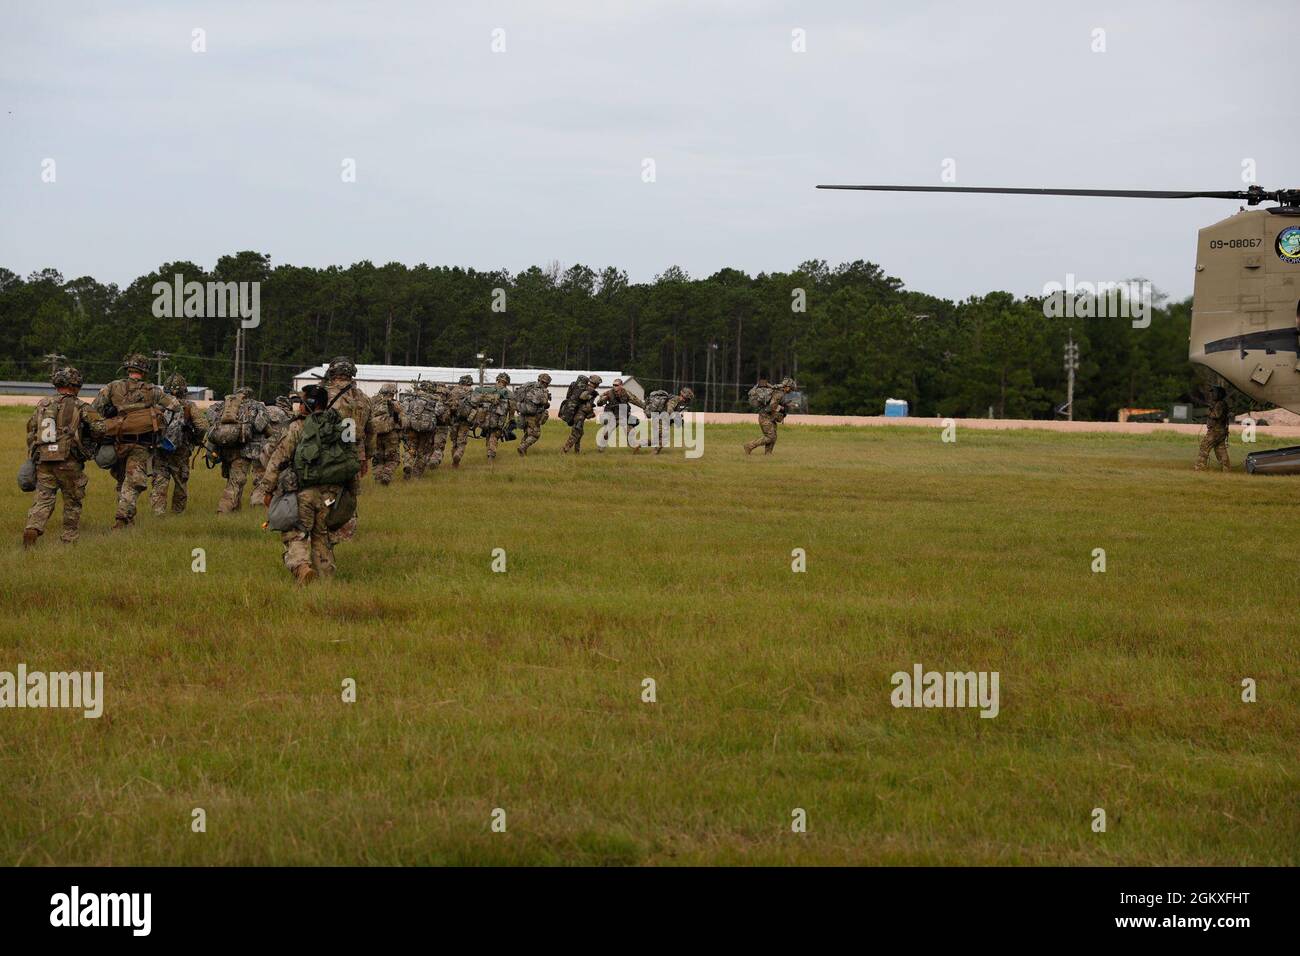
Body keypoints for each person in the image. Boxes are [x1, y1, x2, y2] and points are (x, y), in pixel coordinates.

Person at [256, 384, 353, 585]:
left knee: (296, 533)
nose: (298, 406)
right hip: (331, 496)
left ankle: (301, 567)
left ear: (308, 403)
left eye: (302, 401)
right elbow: (350, 461)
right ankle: (326, 578)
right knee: (321, 536)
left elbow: (278, 459)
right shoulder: (339, 427)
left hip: (305, 495)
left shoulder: (299, 427)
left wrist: (267, 490)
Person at [92, 353, 183, 528]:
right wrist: (153, 410)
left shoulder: (112, 387)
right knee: (133, 481)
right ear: (145, 371)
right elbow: (175, 405)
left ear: (128, 369)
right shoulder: (153, 390)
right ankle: (122, 516)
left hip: (117, 441)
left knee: (122, 480)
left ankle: (128, 518)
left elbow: (94, 408)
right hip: (141, 443)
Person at [22, 366, 105, 547]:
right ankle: (69, 539)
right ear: (75, 385)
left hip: (44, 460)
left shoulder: (42, 405)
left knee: (44, 498)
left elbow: (31, 431)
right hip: (69, 461)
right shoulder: (81, 406)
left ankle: (33, 527)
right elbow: (100, 429)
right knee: (72, 501)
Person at [322, 357, 374, 542]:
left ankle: (322, 528)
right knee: (349, 494)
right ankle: (345, 533)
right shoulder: (363, 399)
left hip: (326, 452)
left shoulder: (322, 395)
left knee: (325, 491)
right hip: (354, 453)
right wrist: (366, 458)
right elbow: (370, 430)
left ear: (332, 373)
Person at [149, 372, 209, 516]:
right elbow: (202, 426)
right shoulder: (189, 405)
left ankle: (158, 513)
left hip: (160, 449)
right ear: (184, 390)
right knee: (180, 482)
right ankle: (177, 513)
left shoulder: (157, 405)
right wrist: (195, 439)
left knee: (159, 480)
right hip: (181, 451)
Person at [207, 386, 269, 513]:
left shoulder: (224, 404)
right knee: (235, 482)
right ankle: (222, 512)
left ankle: (235, 510)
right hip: (243, 450)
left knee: (234, 479)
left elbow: (210, 417)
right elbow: (259, 426)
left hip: (224, 447)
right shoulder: (256, 405)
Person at [744, 378, 794, 456]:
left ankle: (768, 454)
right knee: (770, 437)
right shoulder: (779, 393)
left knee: (773, 437)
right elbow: (772, 407)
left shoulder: (779, 392)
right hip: (765, 417)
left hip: (770, 417)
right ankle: (749, 446)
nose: (791, 390)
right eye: (790, 388)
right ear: (786, 387)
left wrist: (786, 406)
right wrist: (781, 409)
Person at [596, 378, 645, 452]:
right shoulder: (609, 393)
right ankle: (600, 449)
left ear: (621, 385)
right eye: (613, 385)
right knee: (606, 433)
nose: (614, 386)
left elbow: (636, 401)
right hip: (612, 416)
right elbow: (599, 403)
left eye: (616, 385)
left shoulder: (626, 393)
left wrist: (645, 407)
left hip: (623, 416)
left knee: (629, 432)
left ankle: (635, 446)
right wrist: (603, 399)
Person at [370, 383, 402, 484]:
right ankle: (386, 475)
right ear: (393, 392)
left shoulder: (373, 402)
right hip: (391, 435)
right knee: (393, 459)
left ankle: (378, 477)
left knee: (378, 459)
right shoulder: (395, 404)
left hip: (376, 435)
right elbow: (401, 420)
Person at [561, 374, 602, 453]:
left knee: (580, 433)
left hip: (575, 412)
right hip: (579, 415)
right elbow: (582, 397)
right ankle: (564, 450)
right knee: (576, 433)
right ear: (596, 383)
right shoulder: (590, 389)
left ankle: (577, 451)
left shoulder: (582, 387)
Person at [481, 372, 516, 460]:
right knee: (494, 435)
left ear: (497, 380)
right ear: (507, 382)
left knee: (489, 434)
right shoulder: (509, 393)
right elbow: (512, 408)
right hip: (499, 419)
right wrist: (511, 419)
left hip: (486, 418)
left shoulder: (489, 390)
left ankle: (489, 452)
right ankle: (491, 454)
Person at [1195, 386, 1232, 471]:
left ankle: (1199, 468)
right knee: (1221, 450)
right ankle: (1227, 469)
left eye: (1214, 393)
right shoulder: (1222, 403)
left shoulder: (1219, 404)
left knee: (1204, 446)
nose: (1212, 395)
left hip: (1215, 431)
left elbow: (1216, 415)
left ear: (1219, 394)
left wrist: (1208, 412)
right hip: (1221, 431)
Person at [517, 373, 552, 456]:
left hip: (523, 413)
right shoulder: (541, 390)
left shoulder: (528, 385)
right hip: (533, 415)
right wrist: (547, 403)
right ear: (545, 383)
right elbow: (543, 402)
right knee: (536, 434)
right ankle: (522, 447)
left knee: (528, 432)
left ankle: (522, 452)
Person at [652, 386, 694, 454]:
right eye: (687, 399)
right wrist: (676, 418)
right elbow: (669, 410)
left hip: (664, 422)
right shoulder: (674, 399)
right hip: (660, 420)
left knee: (662, 440)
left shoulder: (682, 404)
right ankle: (653, 453)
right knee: (663, 440)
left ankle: (649, 449)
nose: (687, 401)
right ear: (683, 396)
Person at [448, 374, 476, 468]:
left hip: (453, 420)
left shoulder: (453, 390)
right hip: (465, 420)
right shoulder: (471, 391)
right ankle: (458, 455)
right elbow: (475, 405)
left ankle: (454, 463)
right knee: (462, 442)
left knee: (454, 442)